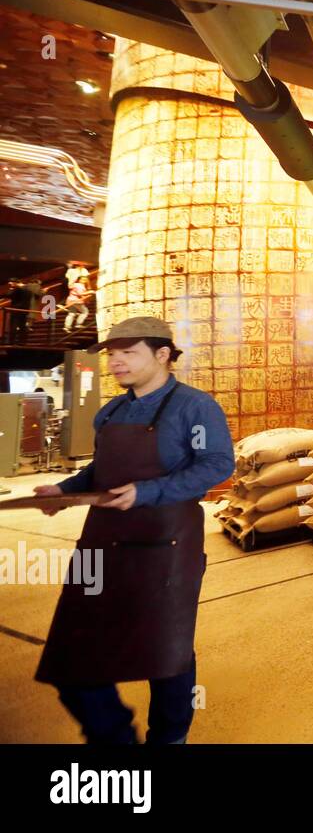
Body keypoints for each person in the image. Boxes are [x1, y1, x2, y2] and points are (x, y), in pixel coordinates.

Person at [32, 316, 234, 744]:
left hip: (166, 543)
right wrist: (63, 489)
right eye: (112, 354)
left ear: (163, 355)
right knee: (73, 648)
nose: (116, 362)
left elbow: (217, 464)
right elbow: (100, 471)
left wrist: (147, 491)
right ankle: (114, 737)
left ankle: (170, 737)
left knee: (167, 649)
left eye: (128, 352)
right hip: (103, 542)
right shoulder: (113, 410)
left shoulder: (196, 407)